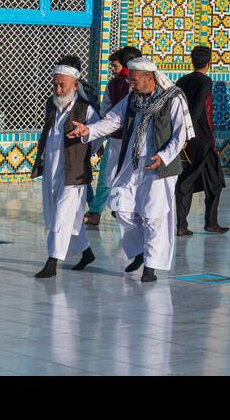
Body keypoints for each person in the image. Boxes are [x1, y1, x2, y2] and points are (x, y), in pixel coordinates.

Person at [69, 57, 193, 283]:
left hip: (159, 167)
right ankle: (138, 252)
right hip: (132, 163)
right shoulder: (133, 99)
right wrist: (87, 130)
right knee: (120, 207)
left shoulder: (172, 98)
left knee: (153, 215)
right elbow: (113, 120)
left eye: (134, 81)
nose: (131, 85)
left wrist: (163, 157)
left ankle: (151, 266)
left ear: (149, 78)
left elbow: (180, 134)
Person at [32, 57, 101, 278]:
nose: (58, 89)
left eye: (62, 85)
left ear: (74, 84)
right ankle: (87, 253)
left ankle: (52, 262)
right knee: (58, 215)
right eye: (55, 84)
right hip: (52, 167)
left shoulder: (86, 109)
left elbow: (99, 133)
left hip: (74, 172)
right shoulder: (51, 103)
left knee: (62, 215)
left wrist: (88, 148)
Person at [175, 45, 228, 235]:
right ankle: (210, 222)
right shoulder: (206, 82)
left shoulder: (182, 80)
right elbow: (198, 109)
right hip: (202, 139)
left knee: (185, 179)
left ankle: (182, 225)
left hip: (184, 137)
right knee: (215, 182)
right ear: (209, 62)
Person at [85, 45, 140, 228]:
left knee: (108, 177)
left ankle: (97, 212)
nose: (113, 70)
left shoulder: (115, 84)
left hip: (116, 138)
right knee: (127, 177)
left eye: (114, 66)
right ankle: (120, 211)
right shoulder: (139, 84)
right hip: (131, 139)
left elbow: (105, 111)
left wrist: (101, 135)